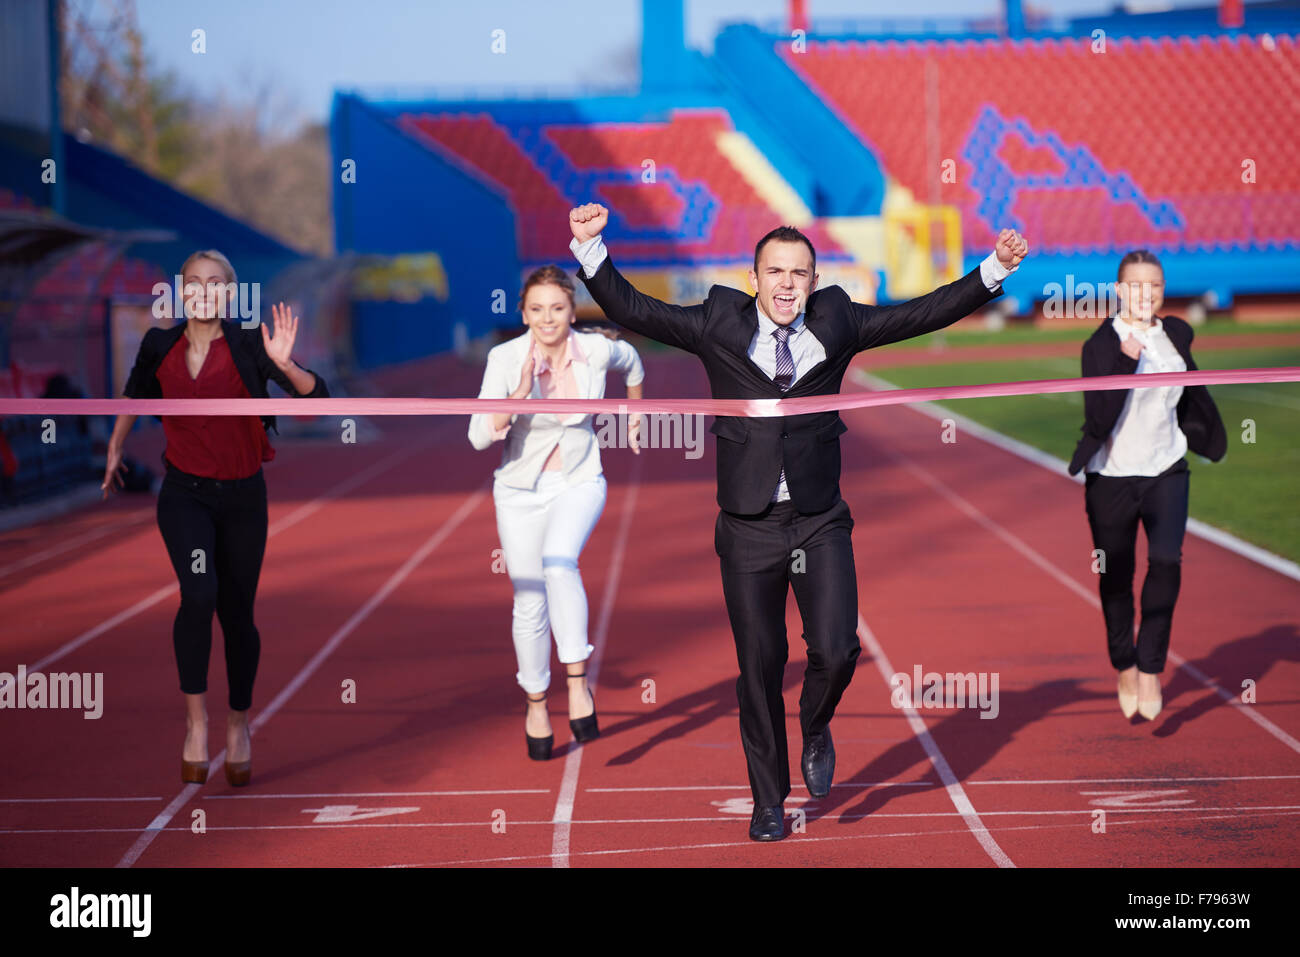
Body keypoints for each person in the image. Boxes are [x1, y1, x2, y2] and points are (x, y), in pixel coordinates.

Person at [568, 202, 1028, 841]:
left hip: (818, 518)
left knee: (837, 651)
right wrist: (590, 249)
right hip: (748, 525)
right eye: (776, 272)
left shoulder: (839, 320)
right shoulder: (717, 321)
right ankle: (768, 801)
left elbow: (921, 312)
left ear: (815, 280)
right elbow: (635, 310)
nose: (787, 284)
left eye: (799, 273)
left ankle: (815, 724)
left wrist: (993, 269)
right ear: (754, 278)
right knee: (760, 667)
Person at [102, 249, 329, 786]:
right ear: (181, 292)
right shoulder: (158, 345)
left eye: (214, 284)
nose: (203, 292)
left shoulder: (250, 344)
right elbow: (134, 397)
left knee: (237, 615)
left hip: (243, 499)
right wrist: (114, 447)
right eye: (193, 283)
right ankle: (196, 724)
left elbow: (316, 400)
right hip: (186, 496)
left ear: (228, 293)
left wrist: (286, 364)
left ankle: (238, 723)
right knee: (198, 594)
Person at [468, 265, 645, 760]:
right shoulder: (504, 358)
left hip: (579, 480)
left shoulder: (595, 350)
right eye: (537, 309)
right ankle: (536, 703)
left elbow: (634, 363)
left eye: (558, 308)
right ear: (524, 313)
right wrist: (518, 395)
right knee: (529, 600)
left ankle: (577, 682)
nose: (548, 318)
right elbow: (478, 436)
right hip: (518, 490)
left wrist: (633, 414)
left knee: (559, 563)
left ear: (572, 312)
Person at [1068, 249, 1226, 722]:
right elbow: (1099, 418)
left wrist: (1205, 434)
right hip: (1111, 478)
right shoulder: (1099, 345)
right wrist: (1125, 361)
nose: (1146, 294)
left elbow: (1190, 392)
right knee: (1116, 579)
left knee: (1166, 561)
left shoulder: (1176, 333)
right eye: (1136, 286)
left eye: (1154, 285)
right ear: (1120, 291)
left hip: (1166, 469)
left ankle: (1151, 666)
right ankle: (1125, 664)